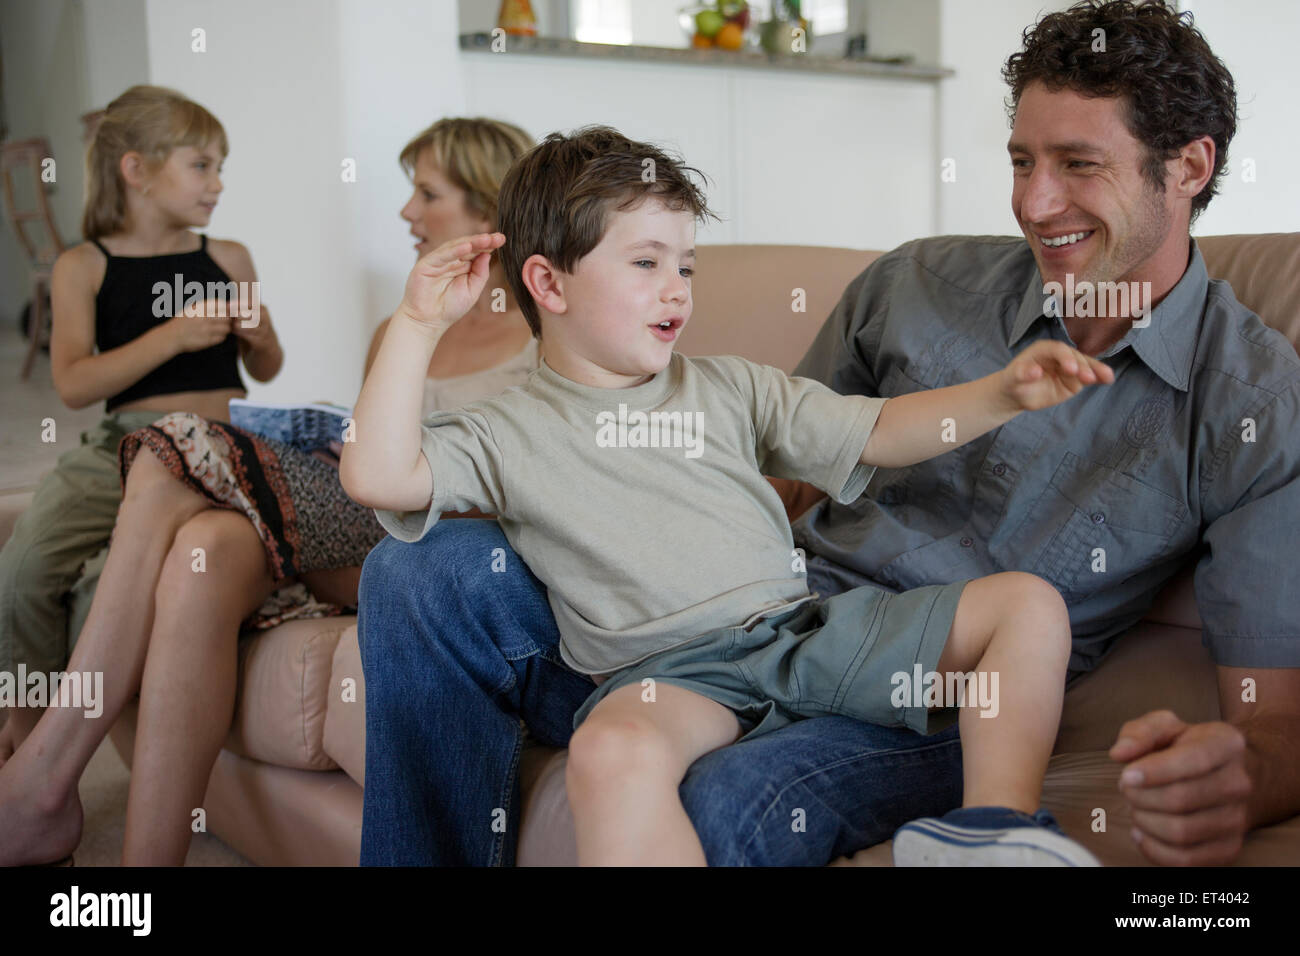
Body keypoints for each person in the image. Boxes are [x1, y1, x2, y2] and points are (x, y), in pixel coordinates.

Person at [355, 0, 1300, 867]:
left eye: (1079, 165)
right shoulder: (914, 284)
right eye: (1021, 161)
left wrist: (1238, 779)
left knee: (724, 802)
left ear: (1189, 167)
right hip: (746, 627)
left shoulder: (1250, 400)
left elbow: (1276, 717)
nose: (1033, 204)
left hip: (928, 692)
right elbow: (779, 475)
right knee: (416, 569)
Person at [347, 122, 1128, 865]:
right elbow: (378, 477)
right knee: (610, 751)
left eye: (685, 266)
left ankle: (994, 834)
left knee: (1027, 603)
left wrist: (1000, 394)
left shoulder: (731, 387)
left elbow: (881, 429)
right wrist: (417, 325)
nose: (676, 291)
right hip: (669, 678)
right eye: (647, 264)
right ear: (548, 282)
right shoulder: (502, 431)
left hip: (803, 633)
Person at [0, 115, 536, 866]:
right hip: (363, 520)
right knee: (206, 543)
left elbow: (542, 482)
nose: (406, 214)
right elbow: (362, 452)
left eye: (427, 194)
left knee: (175, 446)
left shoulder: (543, 331)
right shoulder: (402, 326)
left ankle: (44, 776)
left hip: (446, 543)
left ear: (490, 209)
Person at [0, 84, 284, 764]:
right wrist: (172, 337)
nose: (218, 183)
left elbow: (267, 368)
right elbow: (72, 383)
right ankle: (25, 731)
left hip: (219, 444)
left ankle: (68, 736)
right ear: (136, 169)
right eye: (201, 165)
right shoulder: (83, 266)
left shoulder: (230, 257)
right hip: (120, 444)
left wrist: (263, 334)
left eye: (221, 166)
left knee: (116, 587)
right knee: (24, 569)